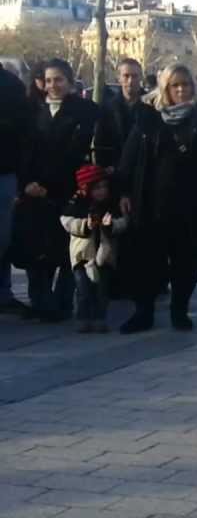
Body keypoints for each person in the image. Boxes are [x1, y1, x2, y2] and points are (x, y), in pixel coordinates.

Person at [117, 64, 197, 333]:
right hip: (151, 202)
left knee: (186, 261)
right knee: (148, 261)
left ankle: (179, 310)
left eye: (186, 84)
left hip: (191, 204)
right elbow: (130, 158)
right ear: (166, 89)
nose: (181, 90)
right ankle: (144, 312)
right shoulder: (149, 119)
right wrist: (124, 191)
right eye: (175, 85)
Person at [20, 58, 100, 322]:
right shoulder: (34, 111)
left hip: (69, 191)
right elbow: (26, 151)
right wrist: (28, 183)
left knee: (68, 252)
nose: (53, 85)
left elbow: (80, 152)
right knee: (37, 252)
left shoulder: (86, 111)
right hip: (36, 192)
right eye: (49, 80)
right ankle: (41, 302)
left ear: (69, 81)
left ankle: (64, 303)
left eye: (59, 80)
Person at [61, 165, 127, 333]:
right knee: (83, 289)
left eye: (104, 187)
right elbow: (66, 221)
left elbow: (123, 222)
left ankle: (100, 318)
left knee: (101, 290)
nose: (101, 191)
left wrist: (111, 225)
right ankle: (83, 318)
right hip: (82, 256)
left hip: (104, 255)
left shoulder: (111, 204)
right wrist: (85, 225)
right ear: (86, 189)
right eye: (97, 188)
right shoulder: (77, 204)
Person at [0, 66, 33, 316]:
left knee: (3, 237)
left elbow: (23, 132)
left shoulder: (11, 85)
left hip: (5, 169)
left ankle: (3, 292)